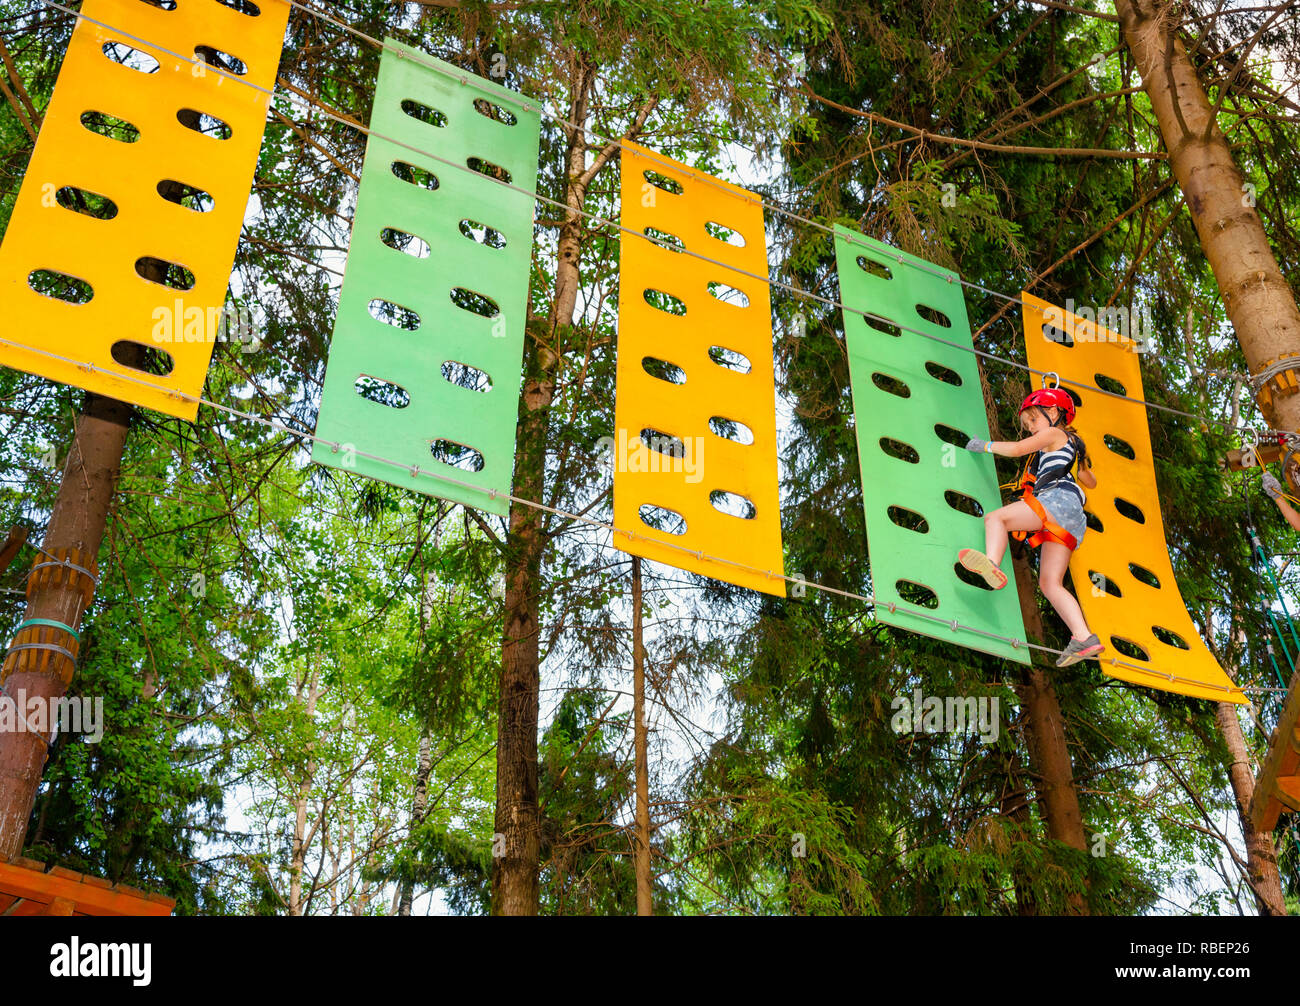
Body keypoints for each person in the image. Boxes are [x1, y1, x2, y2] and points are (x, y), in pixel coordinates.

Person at [956, 387, 1104, 667]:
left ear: (1054, 413)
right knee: (1049, 583)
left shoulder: (1053, 434)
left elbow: (1016, 449)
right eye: (1027, 425)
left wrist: (984, 445)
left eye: (1033, 420)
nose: (1031, 429)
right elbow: (1090, 481)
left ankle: (991, 563)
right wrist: (1082, 463)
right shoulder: (1075, 445)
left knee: (996, 519)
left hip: (1056, 501)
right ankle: (1084, 636)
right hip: (1072, 518)